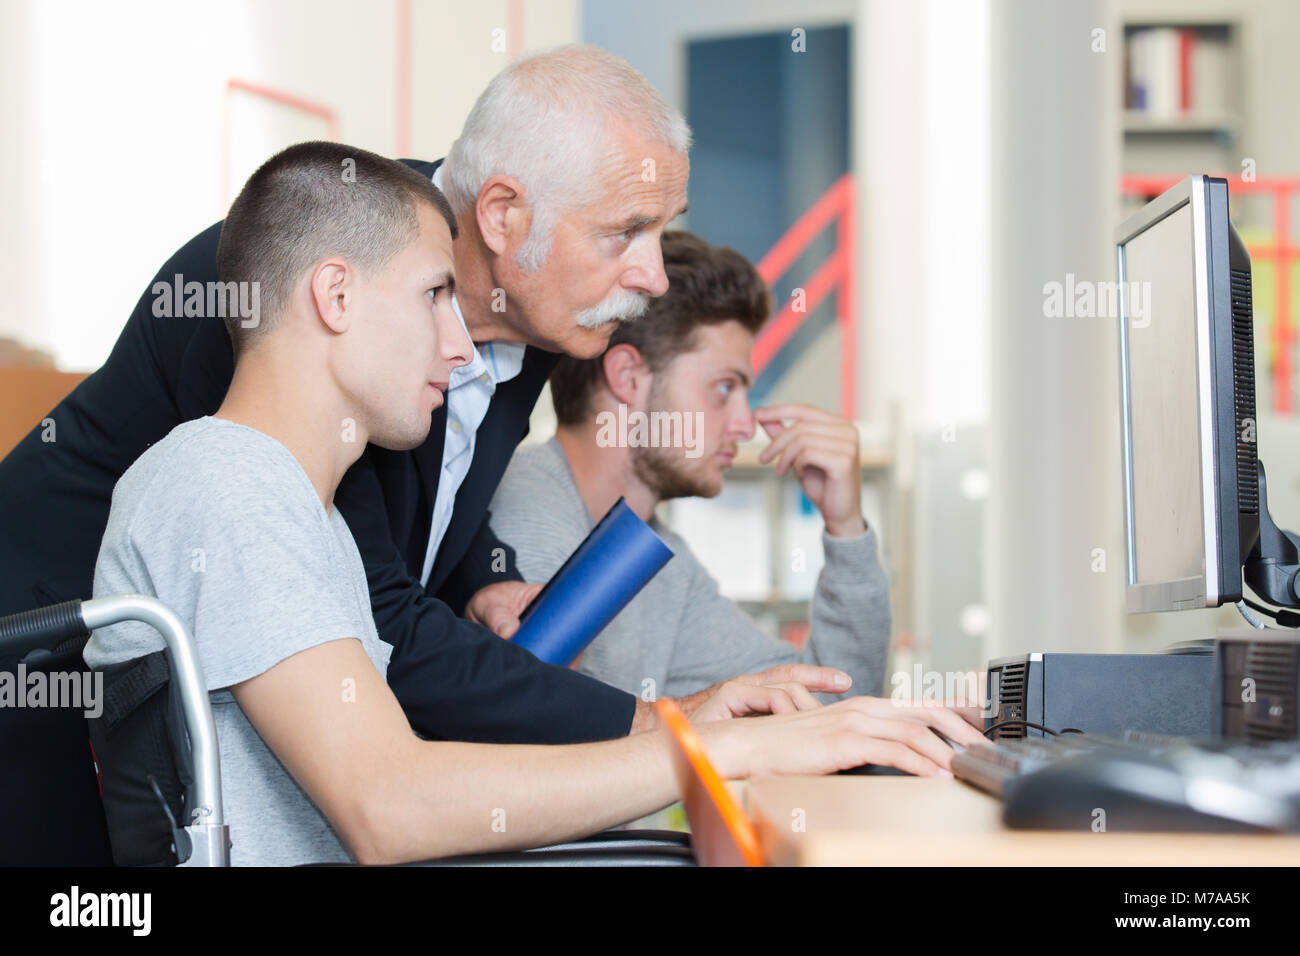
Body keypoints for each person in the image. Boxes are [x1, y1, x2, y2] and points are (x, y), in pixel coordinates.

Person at [0, 45, 830, 863]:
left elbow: (439, 509)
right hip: (46, 647)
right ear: (503, 218)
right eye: (627, 231)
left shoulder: (529, 311)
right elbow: (383, 682)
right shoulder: (274, 342)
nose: (652, 274)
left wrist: (485, 580)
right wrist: (676, 732)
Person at [85, 143, 986, 866]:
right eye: (436, 295)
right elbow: (387, 806)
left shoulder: (304, 511)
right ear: (335, 295)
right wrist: (711, 748)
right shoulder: (227, 483)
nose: (460, 347)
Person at [491, 231, 890, 700]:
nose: (745, 425)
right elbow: (552, 746)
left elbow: (827, 701)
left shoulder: (657, 554)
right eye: (724, 388)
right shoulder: (526, 515)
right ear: (628, 378)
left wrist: (846, 529)